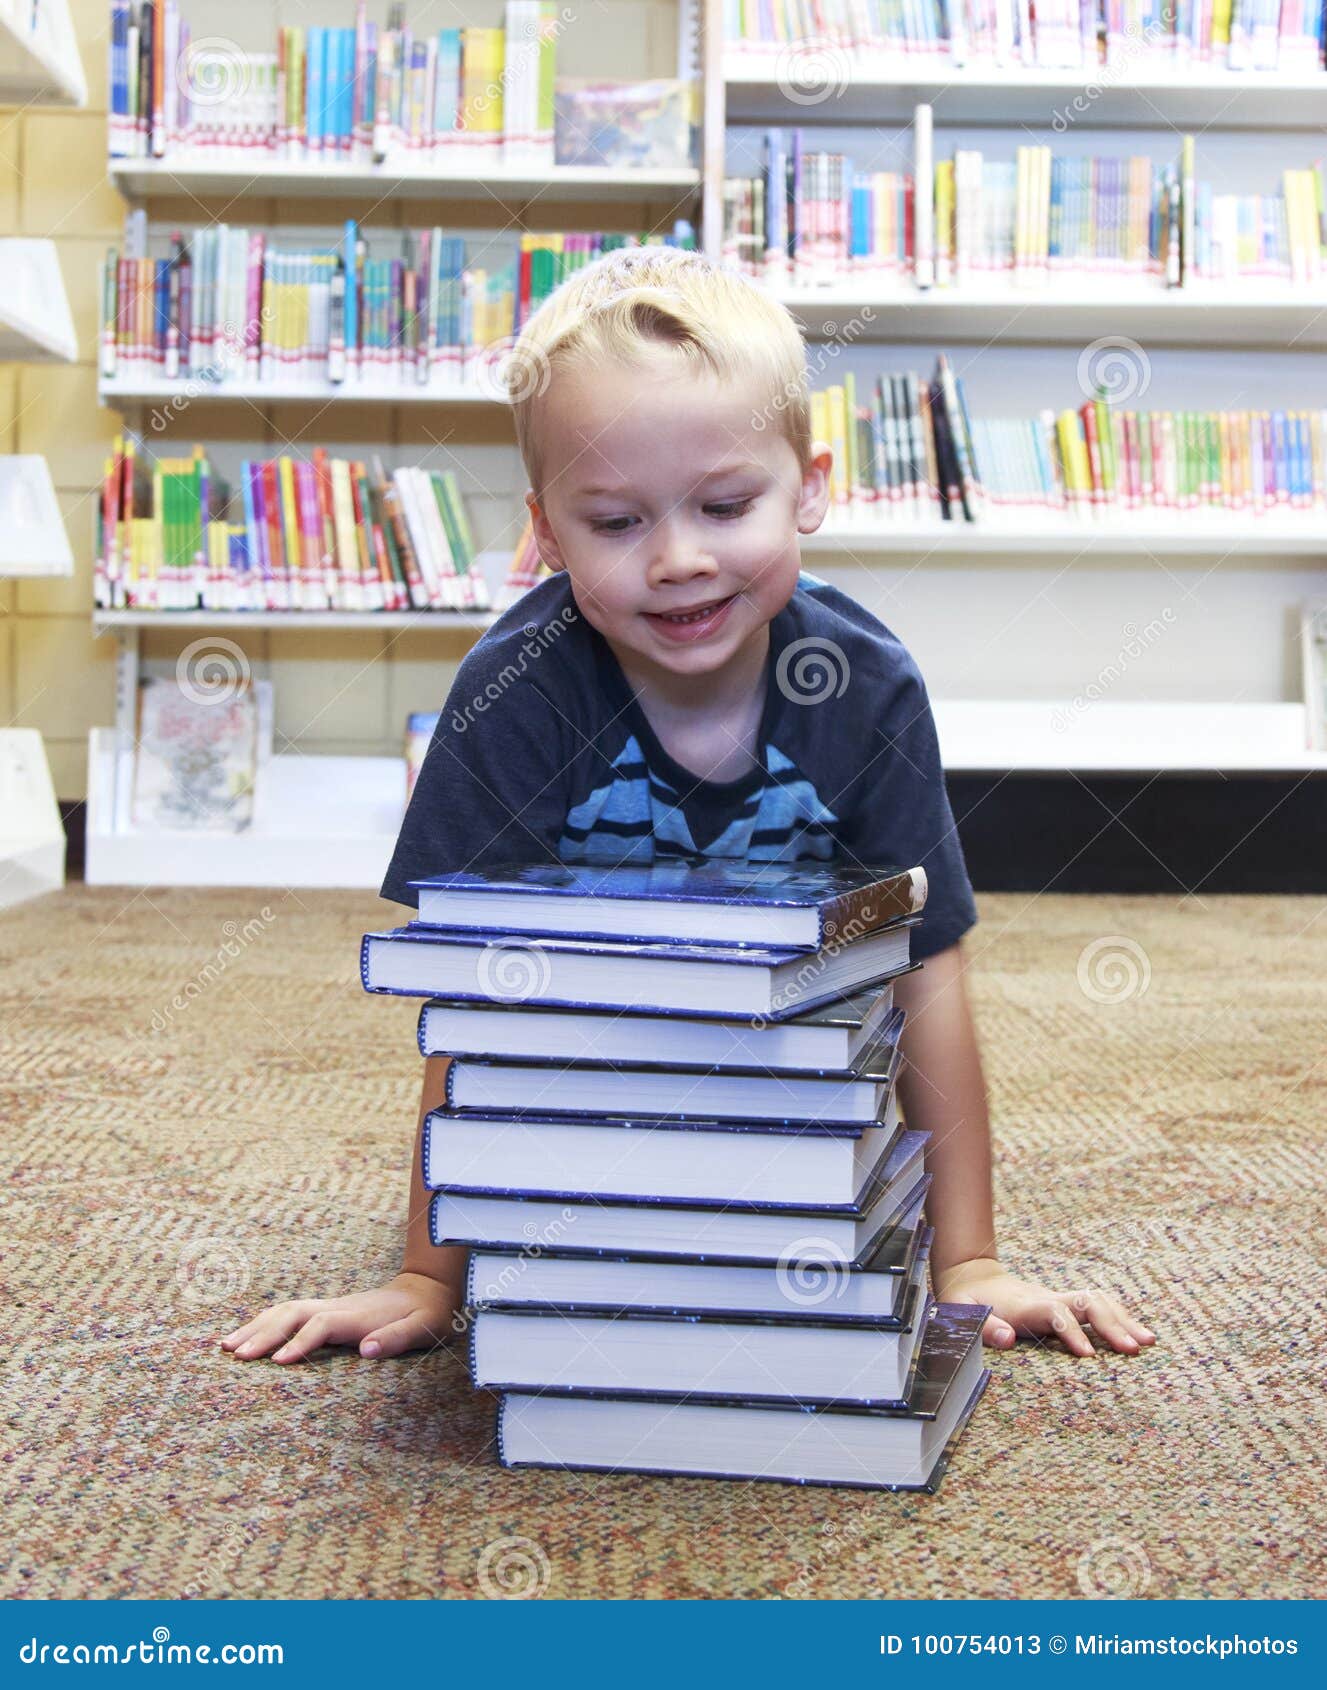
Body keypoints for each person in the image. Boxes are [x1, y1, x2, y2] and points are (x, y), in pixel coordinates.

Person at [222, 246, 1154, 1367]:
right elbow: (477, 993)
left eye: (725, 504)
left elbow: (927, 966)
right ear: (547, 532)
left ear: (808, 486)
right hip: (583, 1106)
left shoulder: (866, 687)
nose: (677, 559)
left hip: (793, 1106)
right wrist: (427, 1274)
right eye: (614, 522)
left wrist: (969, 1263)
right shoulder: (513, 693)